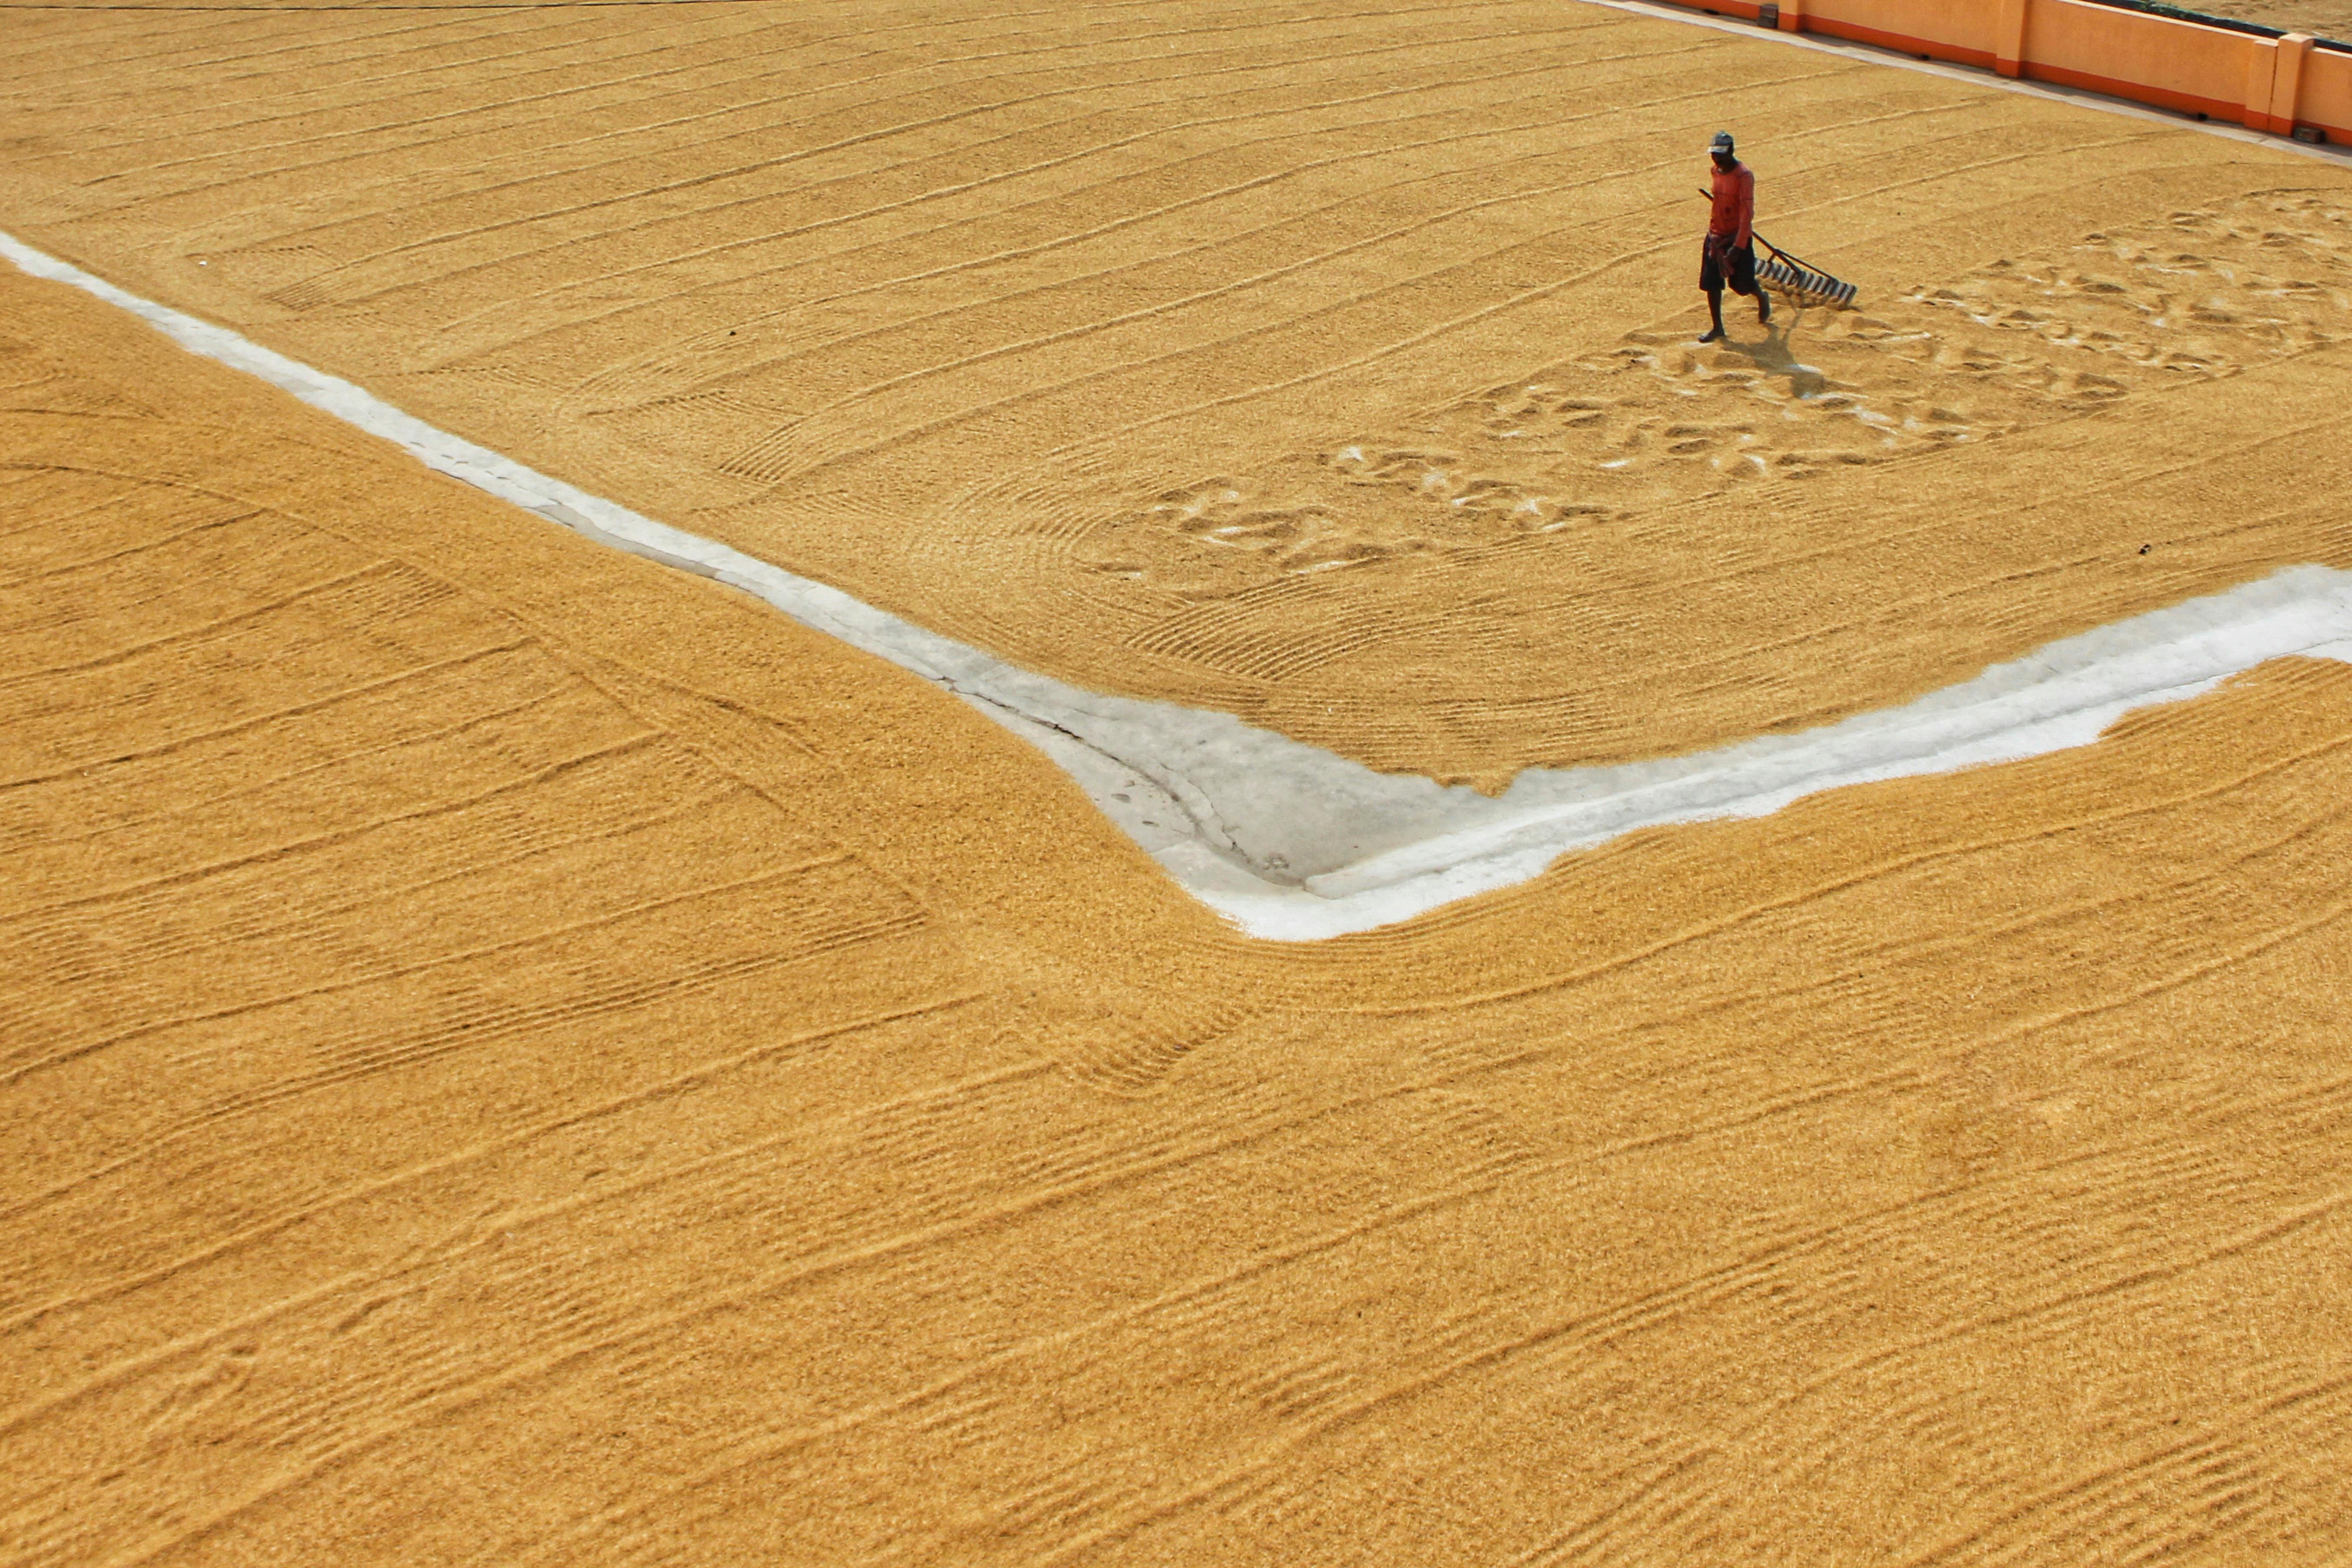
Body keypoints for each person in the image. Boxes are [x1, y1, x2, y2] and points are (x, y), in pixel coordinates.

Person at [1700, 131, 1769, 343]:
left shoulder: (1744, 176)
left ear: (1731, 152)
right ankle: (1717, 327)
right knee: (1712, 283)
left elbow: (1747, 212)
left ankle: (1760, 295)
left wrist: (1738, 247)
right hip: (1716, 236)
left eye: (1721, 155)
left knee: (1741, 286)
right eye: (1715, 155)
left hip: (1737, 237)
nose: (1717, 159)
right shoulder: (1716, 171)